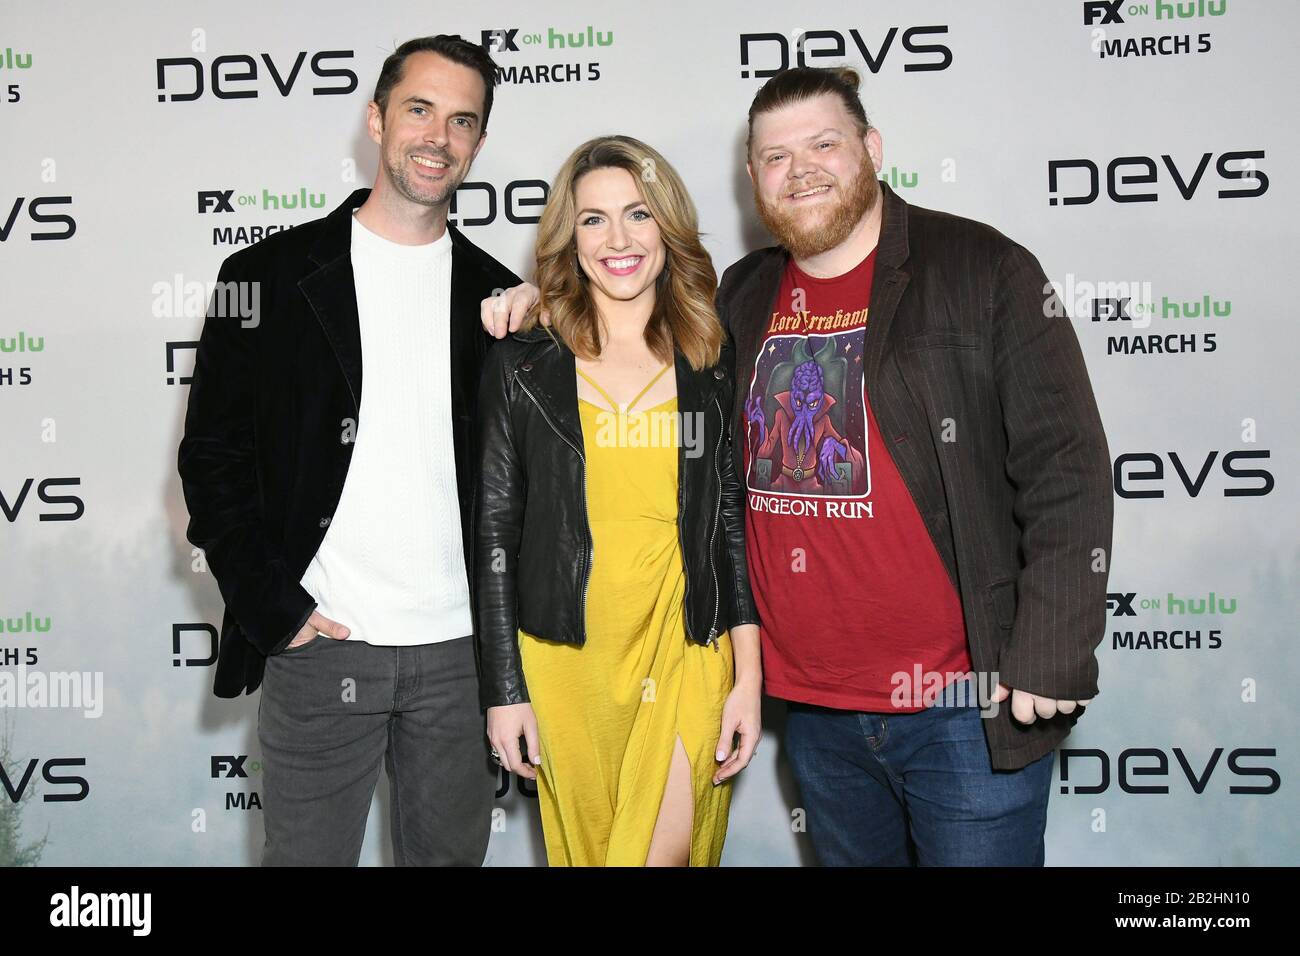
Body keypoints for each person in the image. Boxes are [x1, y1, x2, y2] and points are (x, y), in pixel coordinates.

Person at [481, 66, 1113, 867]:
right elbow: (635, 342)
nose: (800, 170)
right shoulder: (740, 299)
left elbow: (1067, 467)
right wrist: (539, 301)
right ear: (752, 178)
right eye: (776, 156)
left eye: (823, 145)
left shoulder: (980, 269)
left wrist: (1053, 648)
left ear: (872, 148)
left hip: (962, 702)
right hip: (818, 707)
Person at [178, 35, 520, 866]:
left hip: (460, 659)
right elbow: (212, 460)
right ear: (376, 119)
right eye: (419, 109)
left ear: (478, 143)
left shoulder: (499, 299)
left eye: (462, 120)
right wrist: (276, 612)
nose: (438, 136)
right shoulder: (266, 276)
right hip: (322, 644)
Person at [473, 135, 763, 866]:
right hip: (567, 662)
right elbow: (496, 533)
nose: (619, 240)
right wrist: (504, 690)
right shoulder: (522, 362)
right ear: (570, 238)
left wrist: (749, 676)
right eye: (594, 220)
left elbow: (730, 522)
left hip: (686, 646)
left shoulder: (710, 356)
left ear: (667, 223)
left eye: (638, 213)